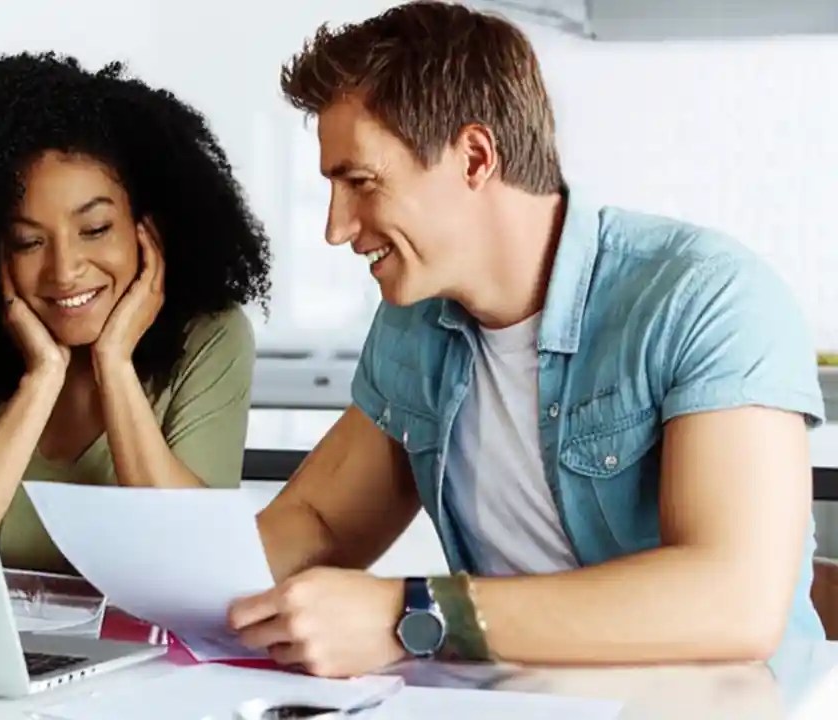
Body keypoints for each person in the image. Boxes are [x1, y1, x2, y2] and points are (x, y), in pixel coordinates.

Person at [228, 1, 826, 676]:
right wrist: (164, 598)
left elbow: (731, 600)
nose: (337, 228)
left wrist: (414, 614)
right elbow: (320, 523)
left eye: (361, 183)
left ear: (475, 157)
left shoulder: (706, 297)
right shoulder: (416, 320)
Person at [0, 52, 272, 574]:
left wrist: (114, 365)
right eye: (28, 242)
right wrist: (42, 378)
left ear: (149, 231)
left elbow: (194, 556)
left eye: (94, 230)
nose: (64, 270)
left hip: (151, 656)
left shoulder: (211, 338)